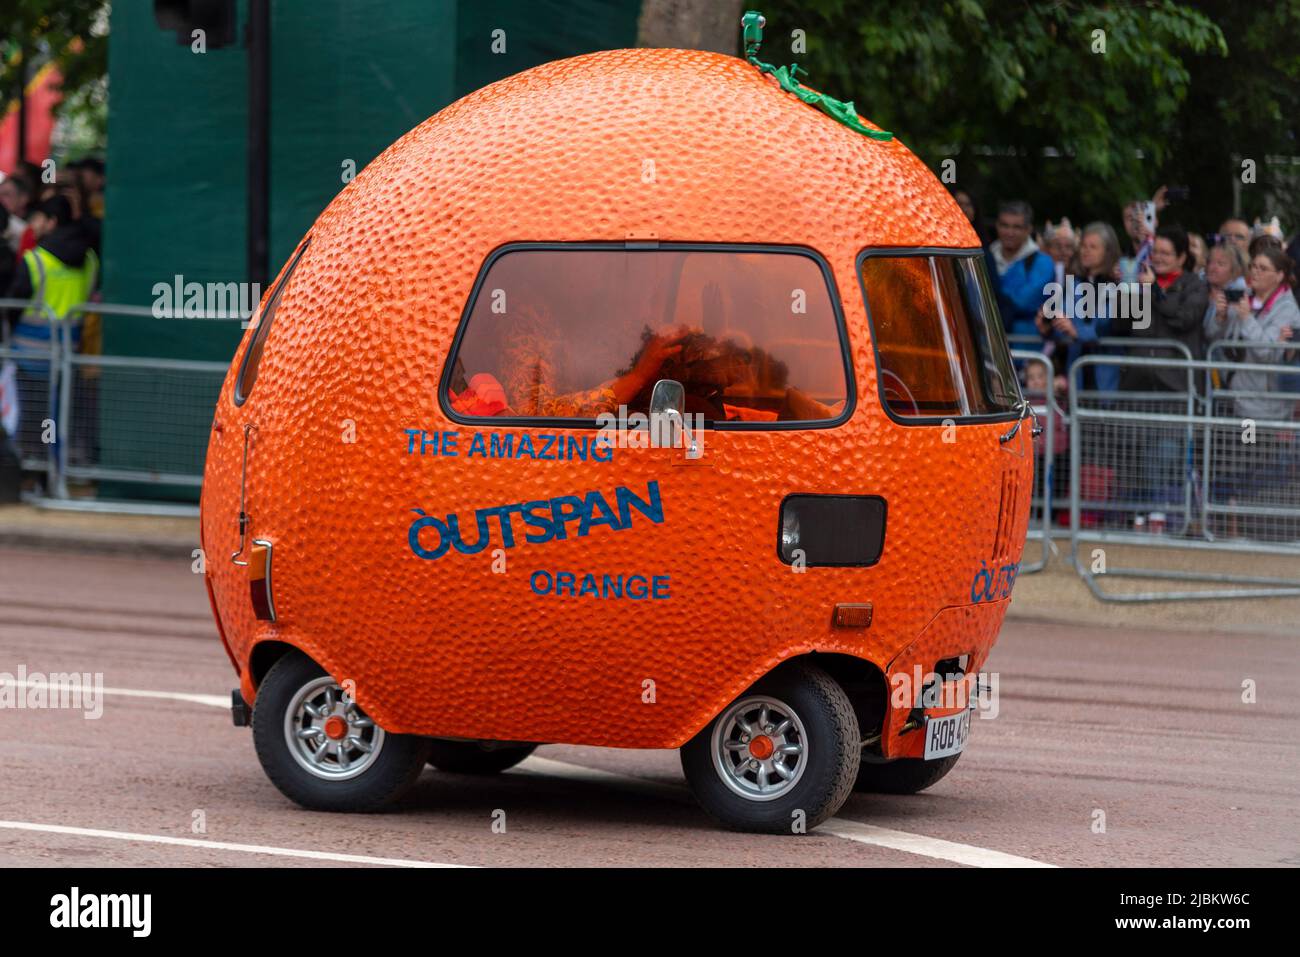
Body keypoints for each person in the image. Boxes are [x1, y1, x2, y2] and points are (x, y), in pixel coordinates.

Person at [3, 195, 99, 465]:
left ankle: (34, 471)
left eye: (37, 219)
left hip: (29, 356)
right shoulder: (90, 259)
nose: (32, 225)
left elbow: (13, 305)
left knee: (32, 417)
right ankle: (55, 469)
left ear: (52, 222)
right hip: (71, 353)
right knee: (60, 417)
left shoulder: (36, 260)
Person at [1116, 224, 1210, 391]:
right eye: (1155, 252)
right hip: (1139, 381)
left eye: (1165, 253)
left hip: (1177, 383)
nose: (1158, 257)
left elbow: (1183, 319)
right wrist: (1126, 289)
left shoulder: (1196, 285)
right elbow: (1122, 325)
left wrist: (1154, 290)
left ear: (1181, 257)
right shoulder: (1142, 280)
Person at [1042, 221, 1124, 392]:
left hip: (1107, 377)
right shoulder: (1074, 284)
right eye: (1083, 246)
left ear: (1108, 251)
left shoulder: (1119, 286)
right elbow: (1063, 323)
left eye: (1093, 247)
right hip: (1076, 376)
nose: (1085, 251)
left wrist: (1076, 331)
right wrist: (1048, 326)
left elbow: (1108, 327)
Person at [986, 200, 1054, 339]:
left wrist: (991, 299)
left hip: (1025, 348)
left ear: (1028, 229)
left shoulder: (1043, 262)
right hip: (988, 343)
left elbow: (1023, 302)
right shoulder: (983, 257)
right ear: (997, 226)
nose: (1009, 232)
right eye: (1005, 225)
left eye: (1017, 227)